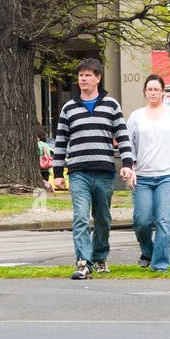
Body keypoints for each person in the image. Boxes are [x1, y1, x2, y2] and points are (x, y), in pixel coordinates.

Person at [51, 58, 132, 280]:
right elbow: (60, 142)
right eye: (80, 76)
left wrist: (127, 165)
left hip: (104, 171)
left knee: (103, 218)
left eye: (87, 75)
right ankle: (83, 263)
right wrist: (58, 174)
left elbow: (123, 137)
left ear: (98, 78)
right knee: (80, 218)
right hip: (78, 172)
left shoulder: (111, 105)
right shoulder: (69, 108)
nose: (83, 79)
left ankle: (99, 257)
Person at [125, 75, 170, 273]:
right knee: (142, 221)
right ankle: (148, 251)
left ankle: (160, 264)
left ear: (164, 92)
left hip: (169, 175)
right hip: (143, 177)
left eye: (156, 89)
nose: (153, 93)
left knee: (164, 220)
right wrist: (132, 171)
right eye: (149, 89)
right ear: (145, 92)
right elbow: (128, 146)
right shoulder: (136, 116)